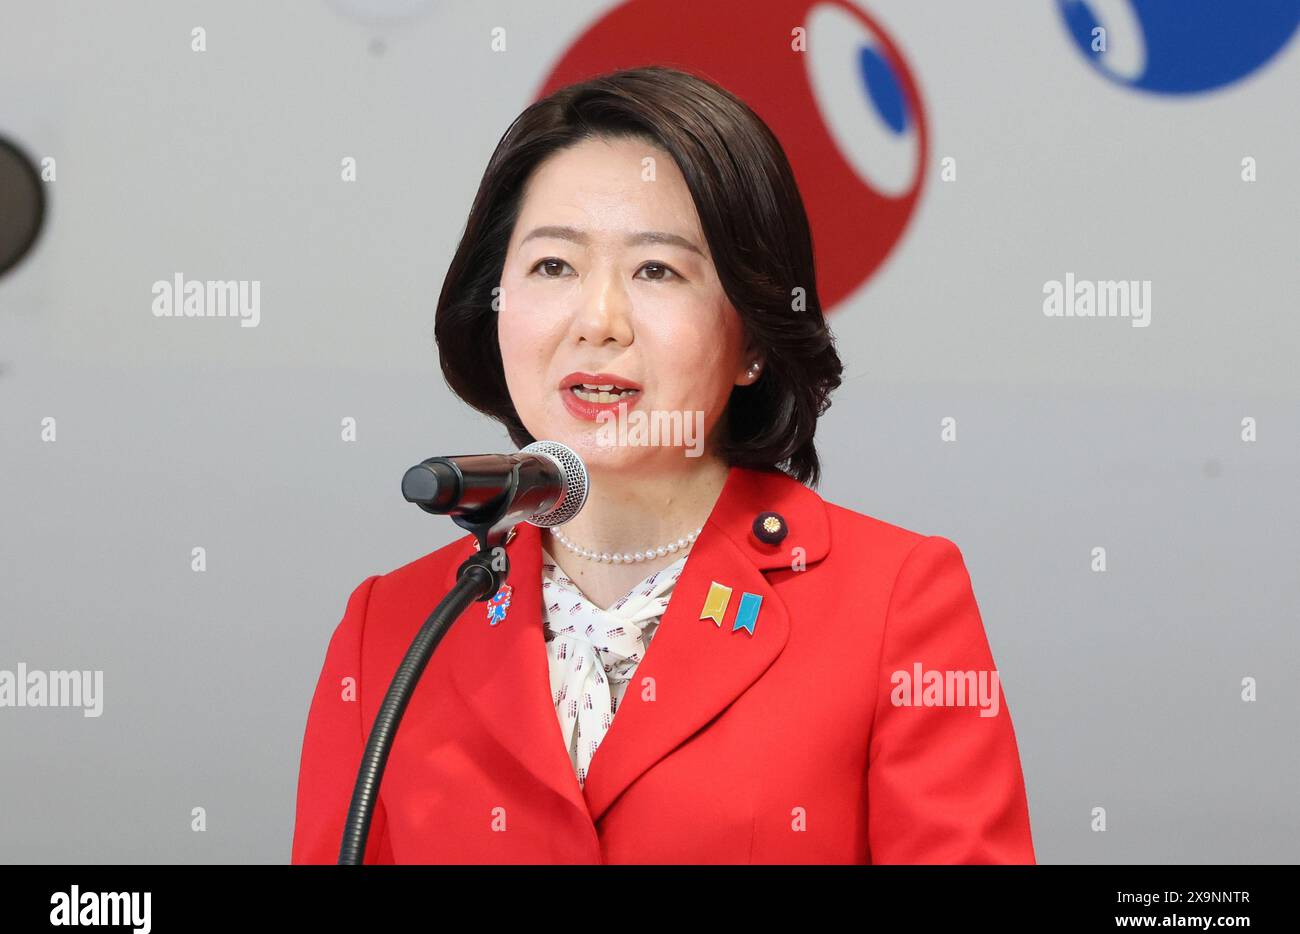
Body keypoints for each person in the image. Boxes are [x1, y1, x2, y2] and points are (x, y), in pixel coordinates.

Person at [292, 65, 1035, 864]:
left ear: (750, 336)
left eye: (657, 270)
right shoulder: (393, 630)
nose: (599, 320)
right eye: (553, 266)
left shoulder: (895, 606)